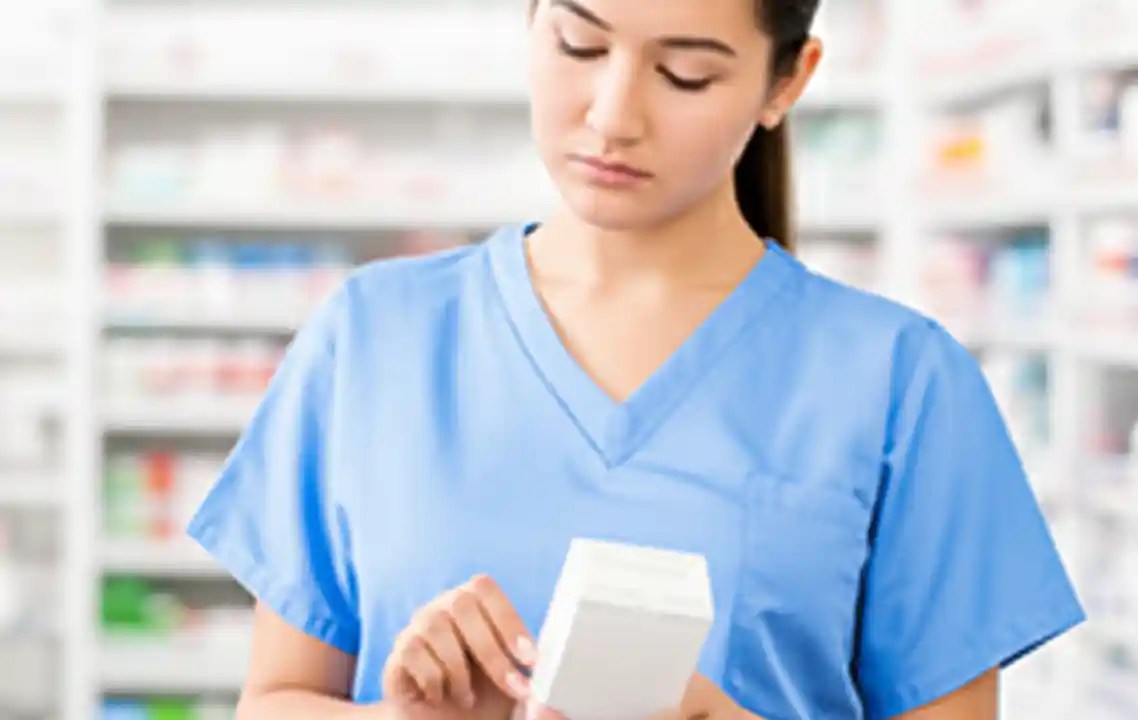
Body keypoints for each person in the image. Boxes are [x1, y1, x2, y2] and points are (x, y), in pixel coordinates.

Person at [187, 0, 1086, 718]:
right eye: (579, 44)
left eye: (684, 73)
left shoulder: (901, 383)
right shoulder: (375, 335)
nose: (613, 116)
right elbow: (274, 700)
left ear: (787, 82)